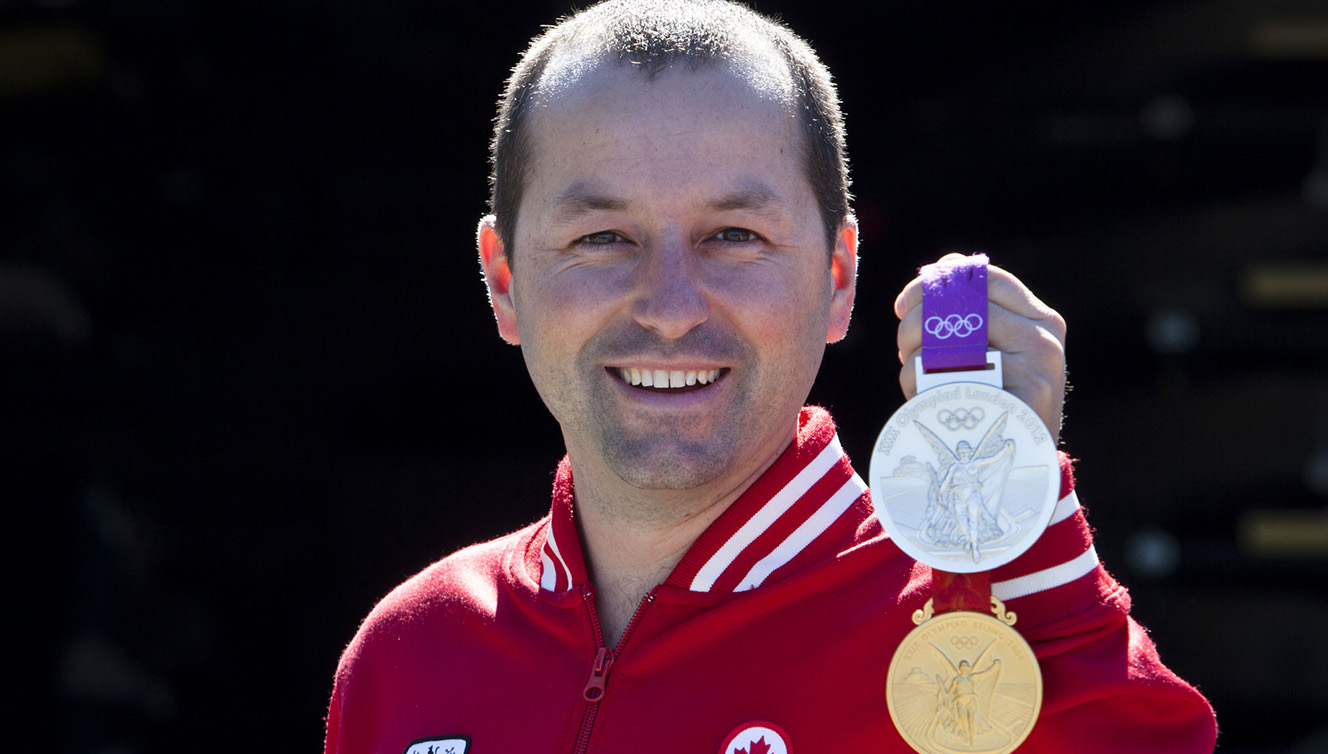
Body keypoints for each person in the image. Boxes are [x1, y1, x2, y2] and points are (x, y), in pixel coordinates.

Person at [324, 1, 1217, 752]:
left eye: (734, 237)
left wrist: (1023, 542)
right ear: (505, 280)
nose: (670, 306)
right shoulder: (411, 654)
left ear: (838, 278)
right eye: (602, 239)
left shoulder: (975, 633)